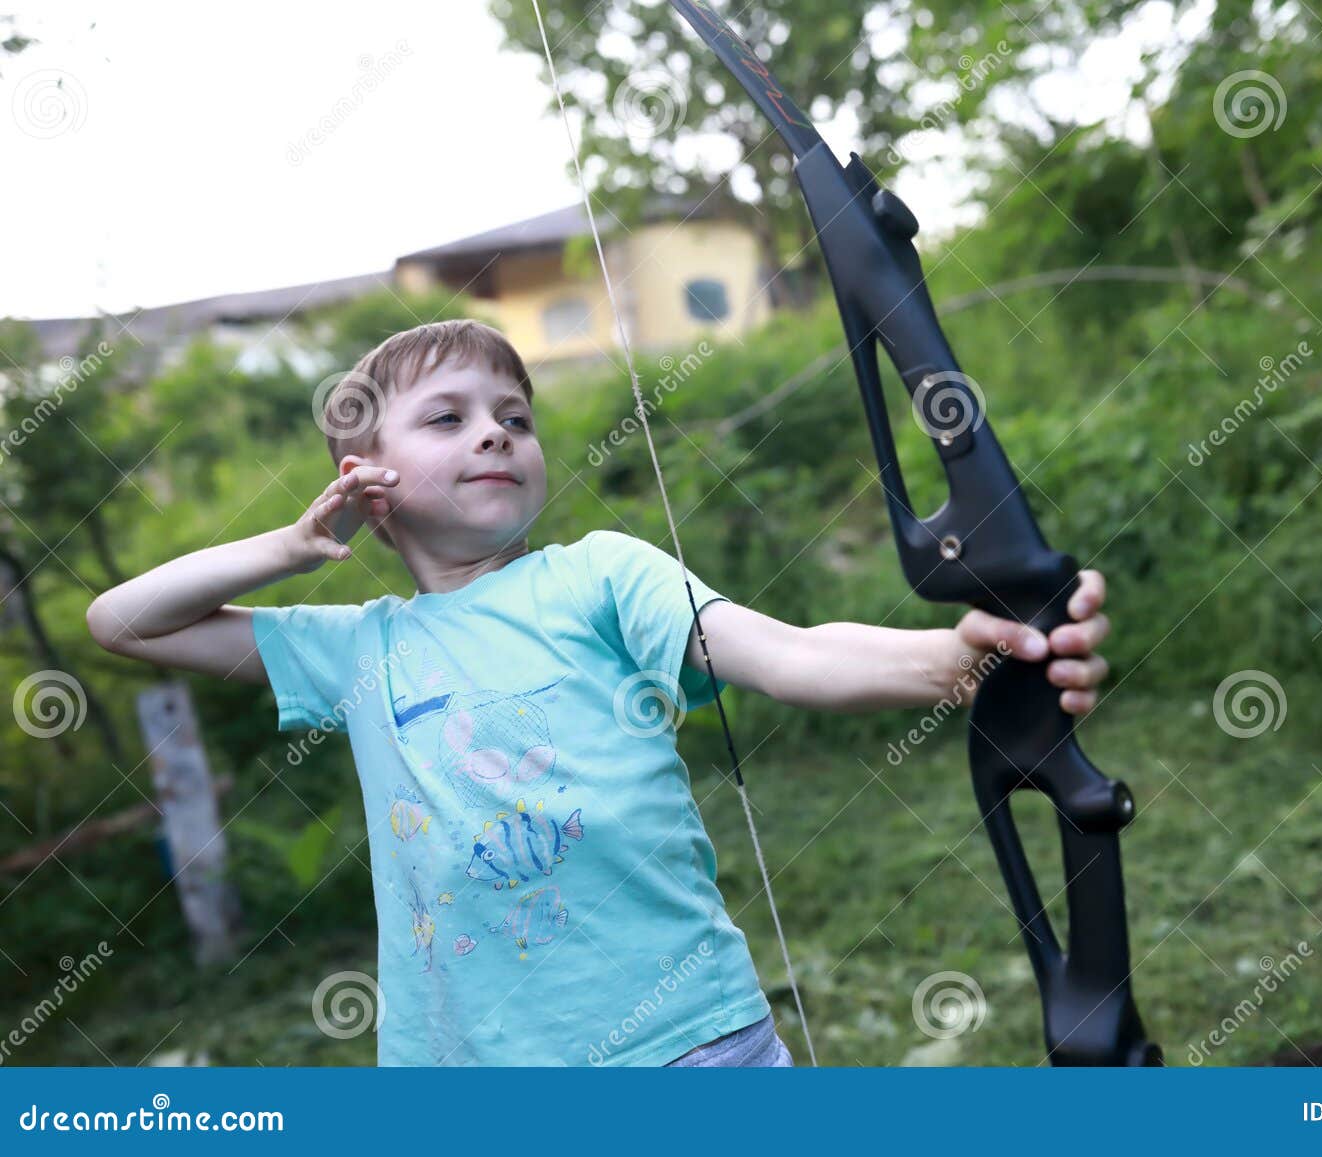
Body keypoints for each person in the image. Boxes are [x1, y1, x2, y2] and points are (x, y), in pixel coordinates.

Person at [85, 318, 1112, 1067]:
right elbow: (124, 622)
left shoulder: (600, 575)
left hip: (687, 1037)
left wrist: (954, 659)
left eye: (514, 416)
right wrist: (293, 544)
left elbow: (788, 653)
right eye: (447, 417)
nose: (495, 433)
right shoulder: (358, 648)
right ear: (368, 483)